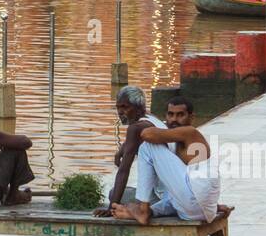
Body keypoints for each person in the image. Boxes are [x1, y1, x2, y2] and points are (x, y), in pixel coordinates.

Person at [95, 88, 226, 225]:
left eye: (180, 115)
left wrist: (133, 133)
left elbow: (146, 135)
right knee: (115, 196)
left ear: (192, 118)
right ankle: (144, 211)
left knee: (148, 146)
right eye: (170, 115)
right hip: (199, 209)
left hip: (192, 204)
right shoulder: (163, 127)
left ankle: (142, 210)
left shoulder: (190, 132)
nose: (174, 119)